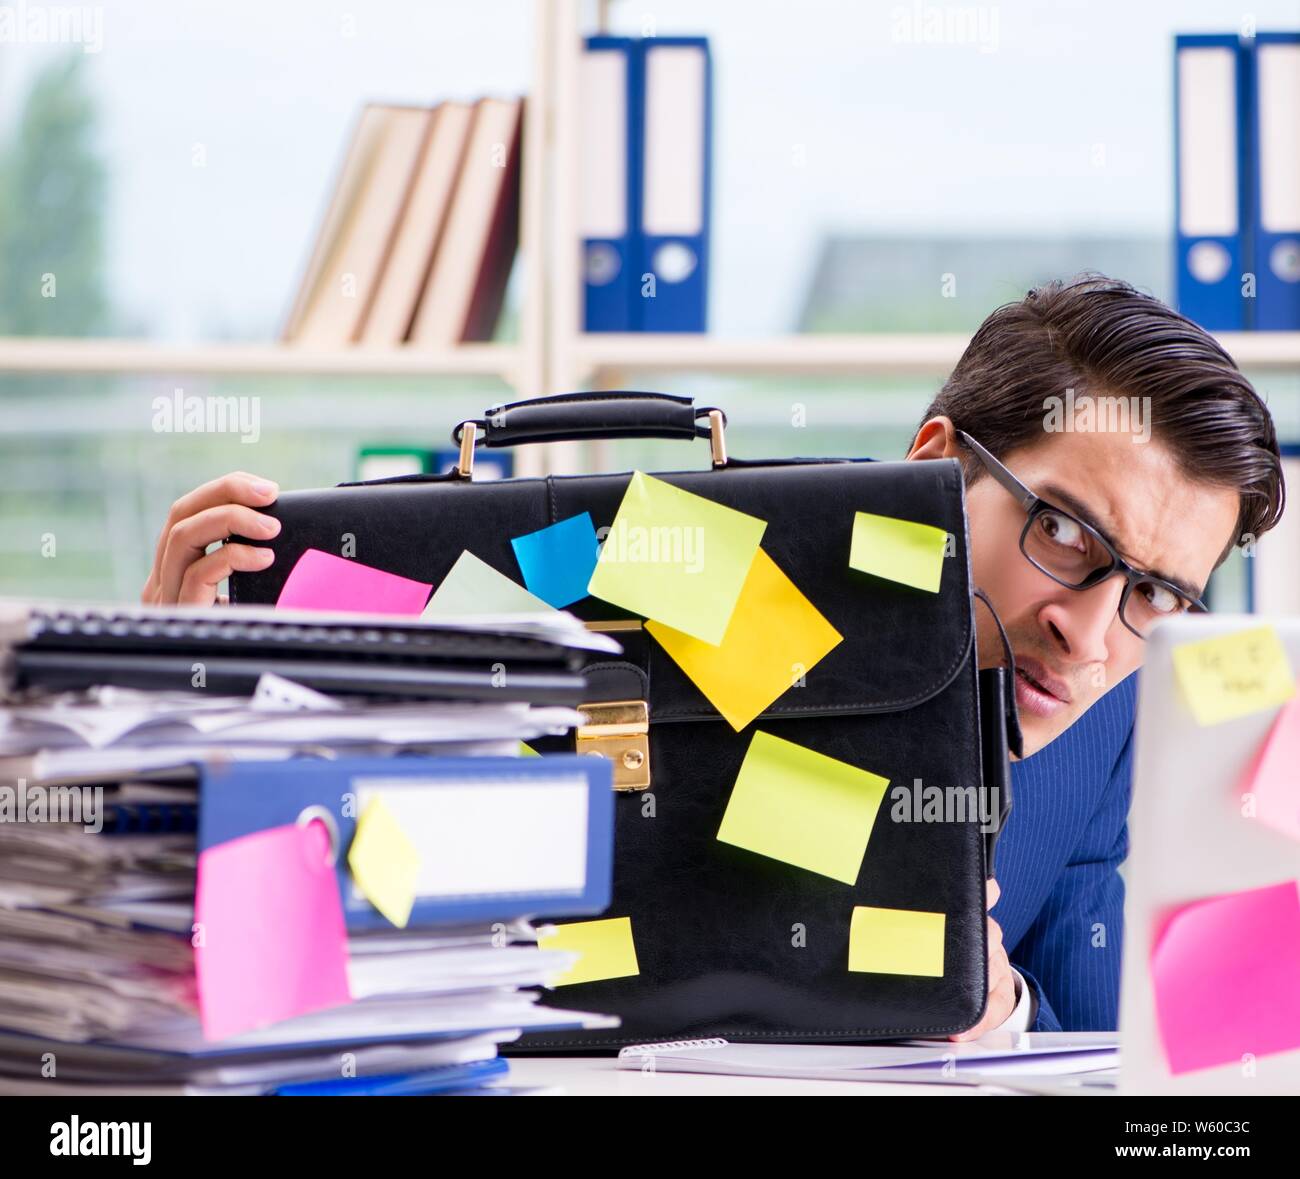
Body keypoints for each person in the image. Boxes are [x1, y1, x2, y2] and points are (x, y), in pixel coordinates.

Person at [141, 275, 1286, 1036]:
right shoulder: (702, 581)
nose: (1087, 632)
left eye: (1152, 591)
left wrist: (1004, 1004)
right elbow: (229, 968)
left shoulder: (1116, 722)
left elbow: (1120, 1056)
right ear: (938, 463)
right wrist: (173, 706)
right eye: (1065, 535)